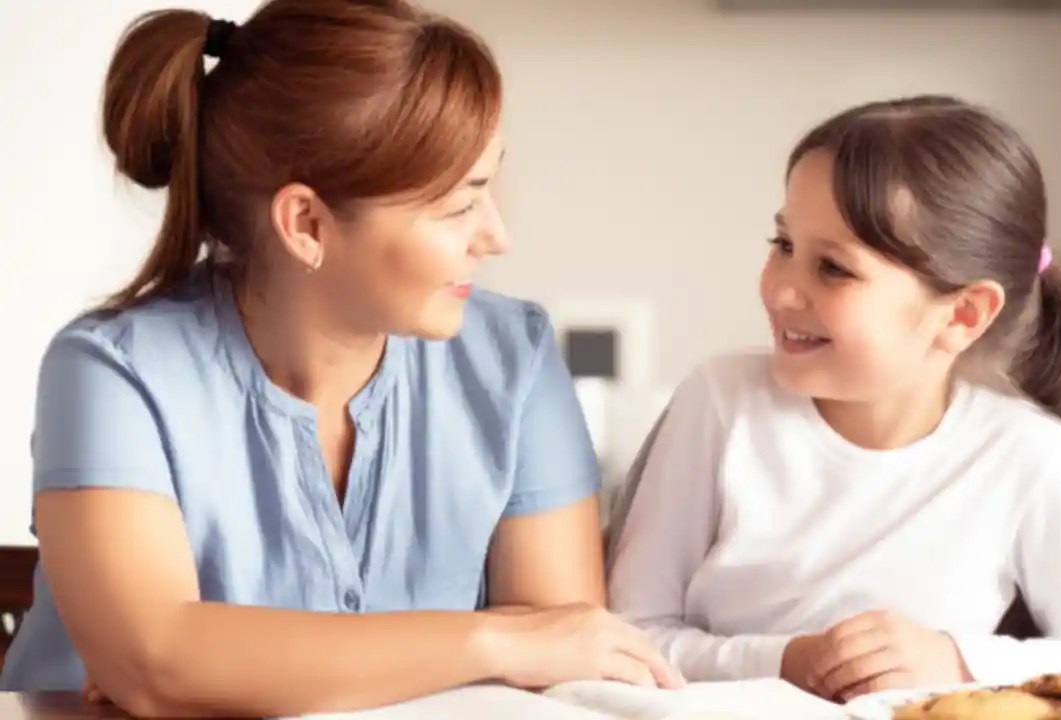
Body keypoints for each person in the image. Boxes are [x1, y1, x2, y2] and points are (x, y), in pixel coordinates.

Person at [0, 1, 680, 715]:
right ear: (307, 224)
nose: (495, 236)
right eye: (457, 207)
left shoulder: (515, 362)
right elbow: (157, 663)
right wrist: (493, 642)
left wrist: (224, 660)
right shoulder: (112, 374)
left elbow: (566, 658)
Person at [606, 95, 1061, 703]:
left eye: (833, 269)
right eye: (784, 244)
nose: (784, 291)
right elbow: (629, 635)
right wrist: (782, 660)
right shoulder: (719, 404)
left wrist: (953, 658)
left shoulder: (1033, 457)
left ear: (963, 314)